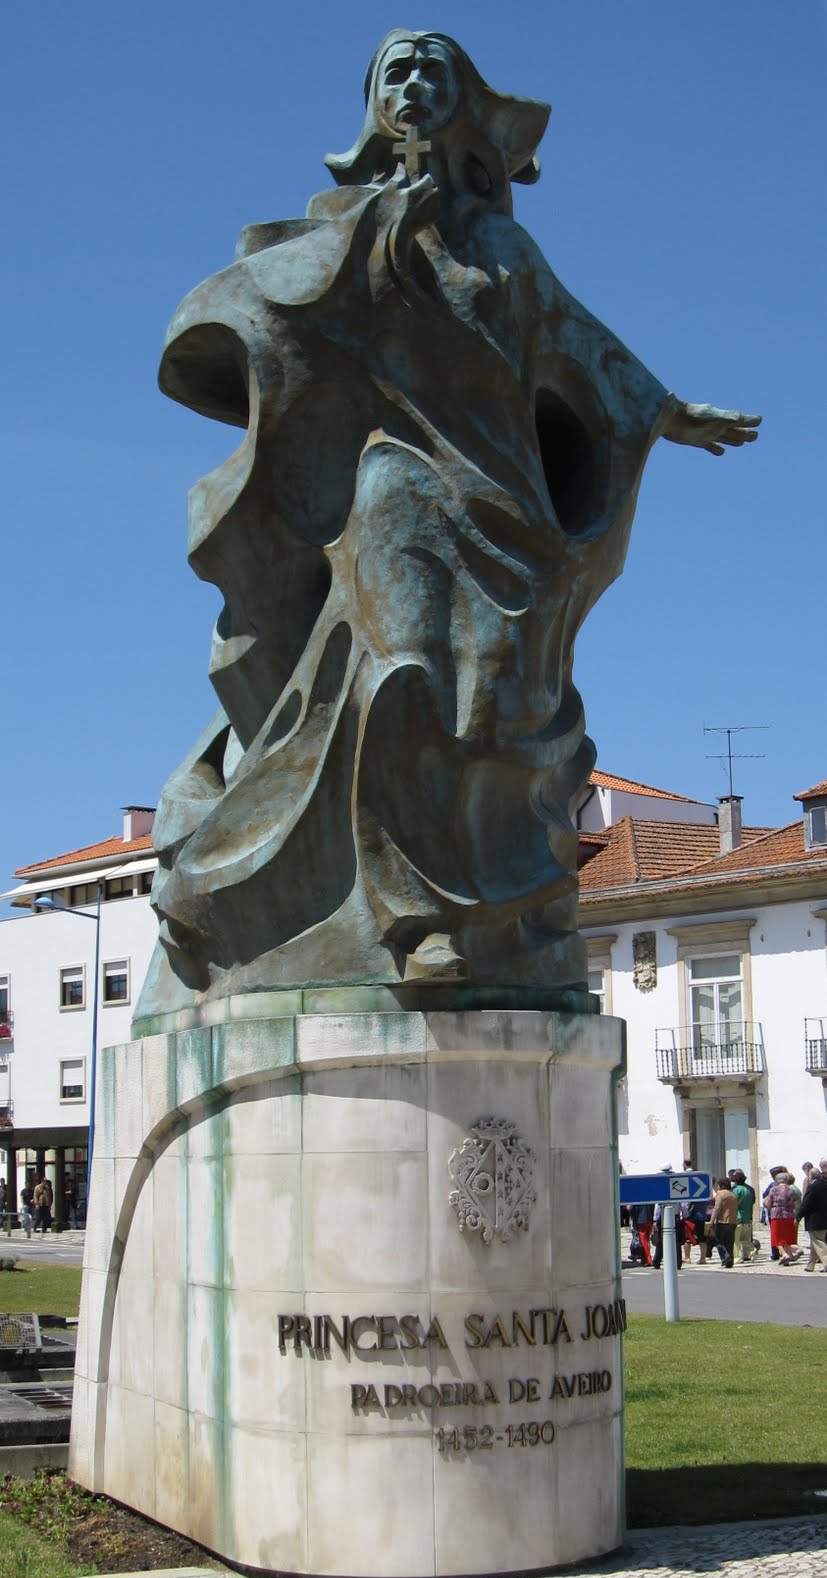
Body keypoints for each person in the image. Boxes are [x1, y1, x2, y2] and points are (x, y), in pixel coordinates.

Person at [135, 28, 761, 1023]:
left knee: (497, 701)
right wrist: (338, 262)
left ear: (464, 104)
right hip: (389, 490)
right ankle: (411, 918)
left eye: (433, 71)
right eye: (397, 72)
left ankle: (504, 923)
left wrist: (672, 412)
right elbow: (260, 316)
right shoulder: (349, 231)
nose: (414, 85)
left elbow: (581, 348)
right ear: (375, 108)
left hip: (502, 503)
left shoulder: (504, 249)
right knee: (405, 674)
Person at [765, 1172, 803, 1265]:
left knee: (777, 1237)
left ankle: (784, 1254)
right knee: (786, 1237)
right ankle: (787, 1259)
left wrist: (770, 1206)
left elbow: (768, 1204)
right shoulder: (791, 1190)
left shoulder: (774, 1189)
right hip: (789, 1216)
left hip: (776, 1215)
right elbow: (796, 1206)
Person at [798, 1160, 827, 1273]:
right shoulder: (824, 1184)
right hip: (824, 1219)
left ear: (811, 1176)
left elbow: (806, 1203)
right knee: (814, 1243)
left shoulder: (813, 1186)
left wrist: (798, 1216)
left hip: (815, 1221)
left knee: (818, 1242)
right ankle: (810, 1265)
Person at [707, 1177, 738, 1267]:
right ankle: (730, 1259)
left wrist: (712, 1221)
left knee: (719, 1242)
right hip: (733, 1221)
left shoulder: (720, 1194)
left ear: (721, 1185)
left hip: (722, 1221)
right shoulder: (733, 1195)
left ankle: (725, 1259)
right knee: (730, 1242)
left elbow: (717, 1208)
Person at [730, 1168, 759, 1262]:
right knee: (745, 1239)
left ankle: (737, 1258)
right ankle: (752, 1250)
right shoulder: (748, 1191)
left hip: (738, 1217)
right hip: (747, 1218)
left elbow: (733, 1204)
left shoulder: (736, 1191)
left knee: (736, 1240)